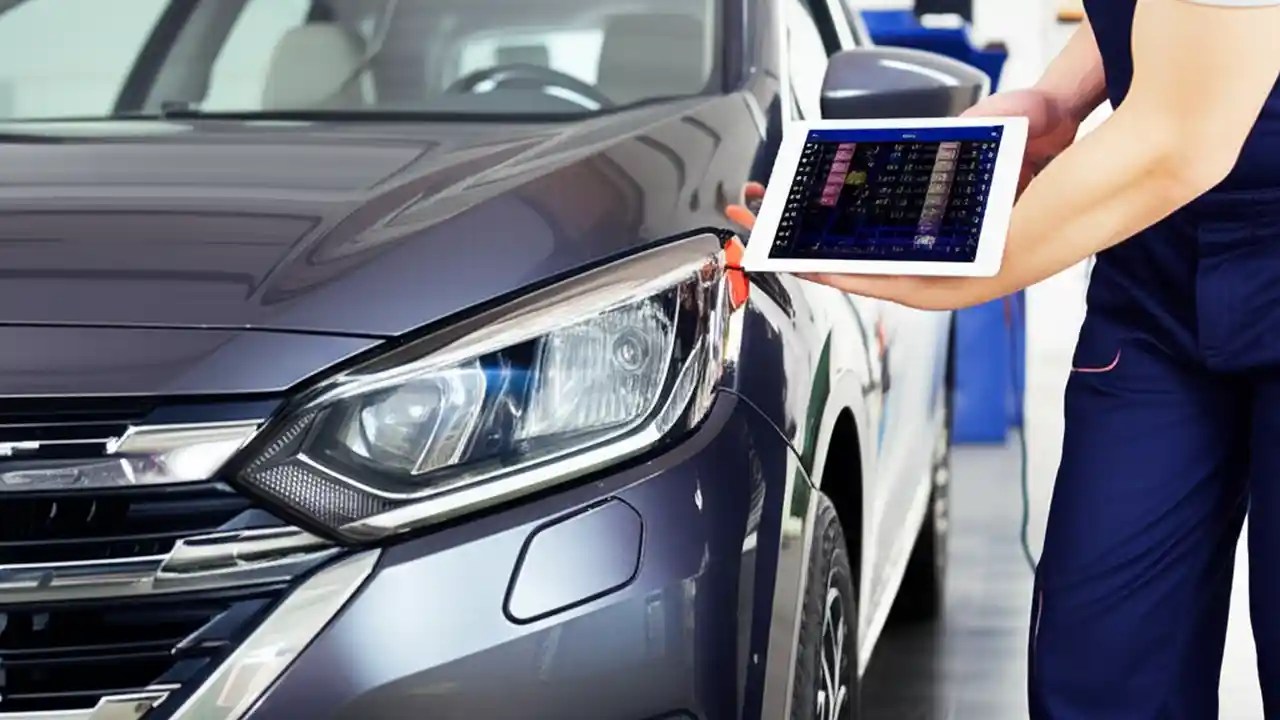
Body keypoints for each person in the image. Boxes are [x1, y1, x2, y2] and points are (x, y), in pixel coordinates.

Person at [734, 1, 1280, 716]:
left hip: (1186, 174)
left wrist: (955, 267)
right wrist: (1061, 96)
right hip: (1160, 269)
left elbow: (1179, 143)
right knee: (1101, 665)